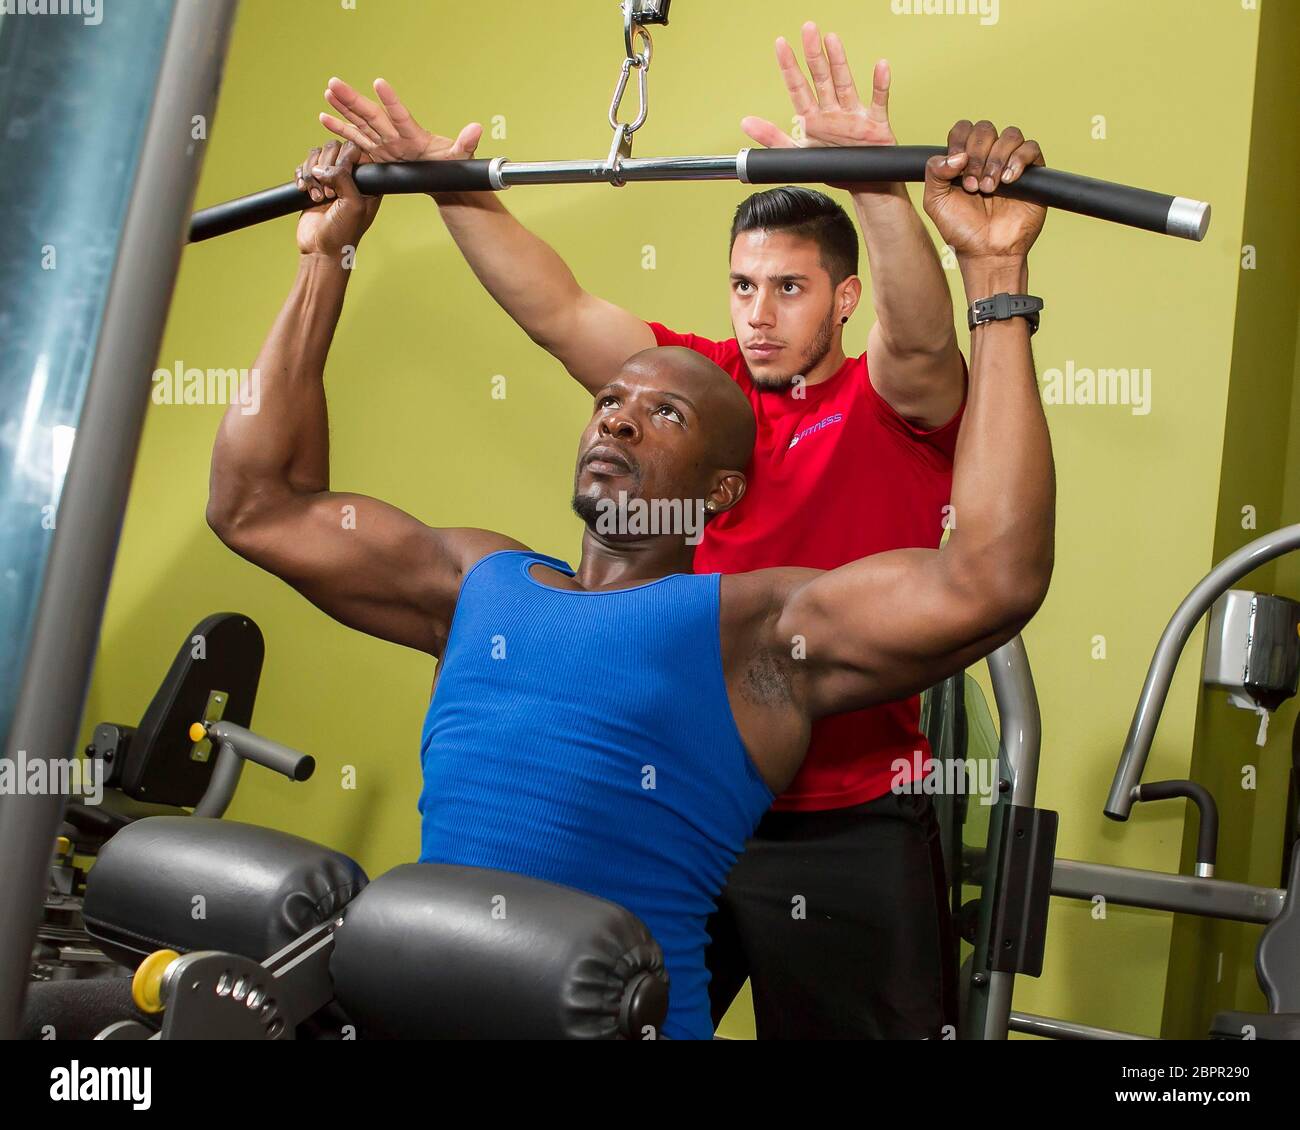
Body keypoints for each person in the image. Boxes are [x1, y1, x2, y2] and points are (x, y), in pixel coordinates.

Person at [207, 119, 1053, 1039]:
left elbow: (989, 567)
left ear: (722, 490)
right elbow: (257, 502)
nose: (617, 419)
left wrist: (992, 274)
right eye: (610, 402)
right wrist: (329, 253)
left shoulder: (757, 630)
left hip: (837, 813)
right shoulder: (483, 584)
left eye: (663, 415)